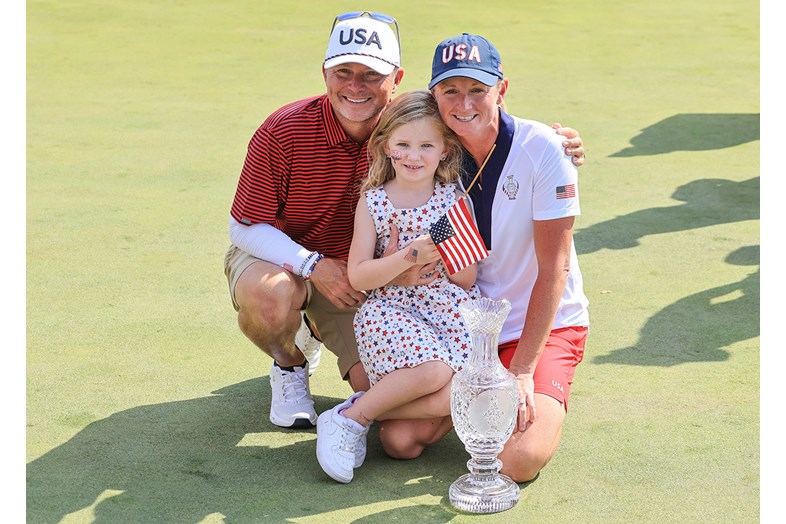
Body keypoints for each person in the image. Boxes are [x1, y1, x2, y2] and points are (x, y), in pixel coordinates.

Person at [223, 13, 586, 431]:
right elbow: (243, 227)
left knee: (381, 389)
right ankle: (289, 363)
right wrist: (313, 267)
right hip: (294, 261)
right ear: (325, 73)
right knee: (270, 294)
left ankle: (339, 387)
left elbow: (473, 112)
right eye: (344, 72)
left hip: (376, 280)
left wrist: (560, 144)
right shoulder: (283, 129)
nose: (356, 87)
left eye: (371, 75)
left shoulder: (413, 125)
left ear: (396, 79)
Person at [375, 33, 591, 484]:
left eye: (477, 88)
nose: (464, 102)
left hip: (543, 327)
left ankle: (503, 400)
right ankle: (478, 403)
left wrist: (524, 371)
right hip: (466, 325)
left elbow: (556, 269)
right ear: (433, 95)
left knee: (519, 460)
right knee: (399, 441)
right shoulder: (432, 151)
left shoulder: (544, 149)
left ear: (501, 89)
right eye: (450, 90)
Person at [315, 90, 480, 483]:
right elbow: (359, 276)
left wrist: (443, 255)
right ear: (386, 146)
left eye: (426, 145)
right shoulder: (374, 202)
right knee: (433, 372)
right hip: (391, 312)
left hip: (446, 311)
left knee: (450, 395)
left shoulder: (452, 201)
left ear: (445, 150)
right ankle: (352, 420)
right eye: (403, 144)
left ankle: (352, 412)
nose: (413, 155)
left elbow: (467, 278)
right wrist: (408, 256)